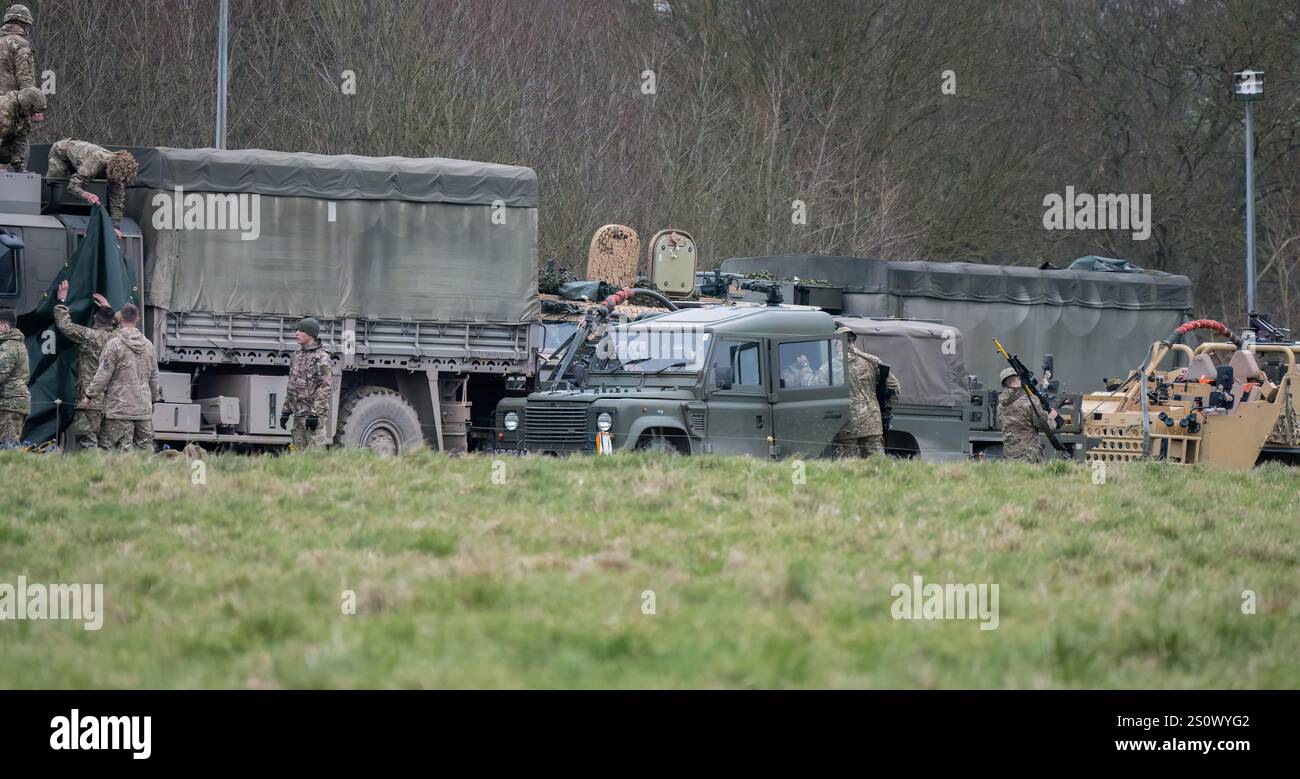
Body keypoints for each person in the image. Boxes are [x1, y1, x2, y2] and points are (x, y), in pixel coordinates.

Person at [84, 303, 160, 451]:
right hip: (143, 409)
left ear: (120, 318)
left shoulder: (114, 345)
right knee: (145, 453)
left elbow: (103, 374)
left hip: (119, 409)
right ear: (138, 318)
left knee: (121, 453)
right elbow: (154, 375)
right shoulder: (148, 345)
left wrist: (89, 395)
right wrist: (154, 397)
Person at [53, 279, 116, 450]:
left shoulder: (90, 336)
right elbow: (127, 324)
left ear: (95, 318)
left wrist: (61, 301)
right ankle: (107, 476)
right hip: (112, 402)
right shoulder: (118, 339)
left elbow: (64, 325)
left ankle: (92, 476)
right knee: (106, 446)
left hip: (89, 399)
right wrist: (109, 308)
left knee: (88, 443)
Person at [46, 139, 139, 239]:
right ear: (110, 169)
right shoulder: (94, 163)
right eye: (114, 179)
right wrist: (86, 195)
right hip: (61, 151)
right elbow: (72, 186)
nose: (116, 182)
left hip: (83, 160)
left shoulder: (119, 172)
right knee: (57, 185)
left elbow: (117, 202)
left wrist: (115, 227)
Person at [833, 327, 901, 458]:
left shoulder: (828, 366)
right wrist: (886, 407)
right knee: (876, 467)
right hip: (872, 425)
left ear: (838, 342)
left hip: (845, 427)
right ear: (853, 341)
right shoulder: (873, 361)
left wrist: (804, 367)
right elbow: (894, 386)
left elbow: (814, 389)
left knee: (847, 471)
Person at [279, 317, 333, 451]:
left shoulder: (321, 357)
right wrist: (286, 411)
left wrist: (315, 414)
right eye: (296, 330)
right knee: (297, 454)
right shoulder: (296, 356)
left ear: (311, 334)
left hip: (313, 416)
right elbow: (292, 385)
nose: (296, 333)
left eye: (301, 331)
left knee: (314, 453)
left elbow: (325, 386)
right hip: (298, 414)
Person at [998, 366, 1059, 463]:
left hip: (1010, 456)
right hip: (1028, 457)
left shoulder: (1001, 405)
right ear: (1018, 378)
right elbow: (1045, 425)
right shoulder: (1030, 400)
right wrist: (1052, 416)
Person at [0, 306, 28, 446]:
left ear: (5, 326)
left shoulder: (9, 346)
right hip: (14, 403)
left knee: (8, 446)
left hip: (10, 404)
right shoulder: (16, 344)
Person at [0, 85, 43, 171]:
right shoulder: (5, 108)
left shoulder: (23, 115)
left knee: (25, 146)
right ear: (28, 105)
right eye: (33, 112)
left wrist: (19, 166)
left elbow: (19, 142)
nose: (34, 115)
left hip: (3, 144)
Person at [0, 5, 36, 96]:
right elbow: (26, 82)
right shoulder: (20, 44)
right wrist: (33, 106)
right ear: (24, 24)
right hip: (8, 105)